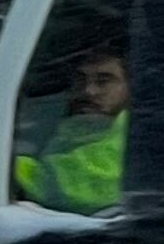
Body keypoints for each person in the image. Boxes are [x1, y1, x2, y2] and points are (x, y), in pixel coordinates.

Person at [14, 46, 130, 214]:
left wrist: (6, 167)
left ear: (129, 88)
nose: (88, 91)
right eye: (80, 80)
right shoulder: (68, 126)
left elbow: (67, 186)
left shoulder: (133, 133)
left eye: (103, 82)